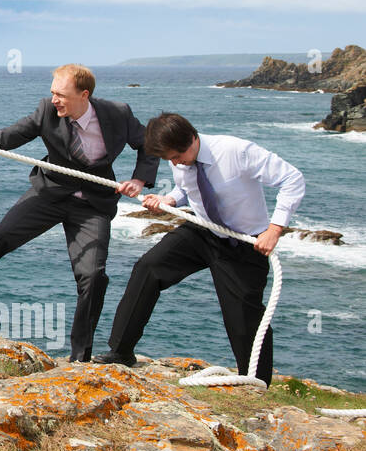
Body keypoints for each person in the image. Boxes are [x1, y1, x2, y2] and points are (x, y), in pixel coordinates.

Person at [0, 65, 158, 362]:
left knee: (93, 276)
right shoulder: (46, 110)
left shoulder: (117, 113)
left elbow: (148, 145)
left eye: (61, 94)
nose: (54, 99)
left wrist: (138, 180)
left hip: (93, 205)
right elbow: (4, 138)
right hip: (50, 193)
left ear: (85, 95)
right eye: (53, 92)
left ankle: (80, 356)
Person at [95, 113, 305, 385]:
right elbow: (187, 188)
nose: (176, 163)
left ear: (193, 138)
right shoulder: (180, 157)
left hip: (244, 243)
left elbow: (293, 179)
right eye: (170, 159)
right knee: (148, 268)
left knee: (243, 314)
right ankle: (121, 351)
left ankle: (256, 382)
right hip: (202, 232)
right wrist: (168, 198)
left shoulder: (236, 151)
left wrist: (274, 229)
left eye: (178, 156)